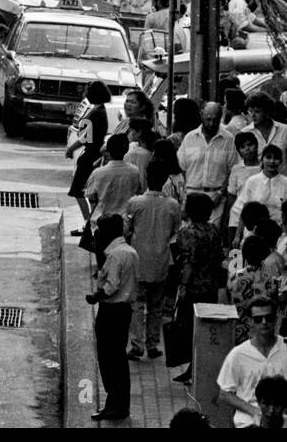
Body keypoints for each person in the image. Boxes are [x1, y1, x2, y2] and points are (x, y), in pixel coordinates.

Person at [124, 161, 182, 360]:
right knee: (156, 306)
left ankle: (137, 344)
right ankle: (153, 344)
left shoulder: (135, 203)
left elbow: (127, 230)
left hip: (138, 259)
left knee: (137, 304)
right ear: (165, 179)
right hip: (162, 260)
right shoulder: (173, 205)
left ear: (147, 178)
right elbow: (176, 232)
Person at [86, 213, 138, 421]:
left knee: (109, 360)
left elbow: (111, 286)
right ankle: (117, 404)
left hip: (112, 311)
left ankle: (115, 405)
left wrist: (94, 297)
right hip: (123, 310)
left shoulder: (116, 255)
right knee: (117, 360)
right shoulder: (130, 251)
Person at [170, 193, 226, 384]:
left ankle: (193, 369)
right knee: (201, 329)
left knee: (189, 328)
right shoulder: (213, 230)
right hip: (210, 285)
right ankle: (194, 368)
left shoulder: (188, 233)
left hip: (193, 287)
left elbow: (189, 263)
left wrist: (183, 285)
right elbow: (219, 257)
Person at [178, 102, 238, 231]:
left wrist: (220, 192)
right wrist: (183, 198)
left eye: (215, 120)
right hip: (191, 196)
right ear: (202, 116)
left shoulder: (228, 139)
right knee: (188, 238)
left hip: (214, 198)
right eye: (208, 119)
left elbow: (234, 171)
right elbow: (181, 169)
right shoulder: (190, 138)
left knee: (210, 238)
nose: (211, 124)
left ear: (220, 118)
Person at [68, 80, 113, 226]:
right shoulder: (98, 110)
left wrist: (71, 148)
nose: (84, 94)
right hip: (93, 153)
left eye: (87, 91)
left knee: (78, 190)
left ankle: (88, 222)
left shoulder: (96, 113)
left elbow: (85, 137)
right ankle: (88, 222)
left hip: (90, 155)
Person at [229, 245, 283, 347]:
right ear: (264, 256)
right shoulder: (271, 280)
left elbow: (230, 301)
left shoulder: (234, 277)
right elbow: (274, 307)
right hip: (262, 332)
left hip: (239, 331)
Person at [85, 133, 144, 223]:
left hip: (102, 221)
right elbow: (138, 192)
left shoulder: (98, 173)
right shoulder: (135, 171)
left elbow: (91, 198)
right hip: (126, 222)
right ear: (126, 150)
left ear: (108, 150)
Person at [232, 144, 287, 229]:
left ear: (281, 162)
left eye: (276, 158)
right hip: (254, 231)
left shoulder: (285, 182)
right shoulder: (252, 181)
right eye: (268, 157)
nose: (272, 161)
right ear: (262, 159)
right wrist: (238, 236)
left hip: (279, 231)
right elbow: (242, 209)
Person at [245, 91, 287, 157]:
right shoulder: (245, 133)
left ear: (267, 111)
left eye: (257, 111)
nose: (253, 115)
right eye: (250, 111)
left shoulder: (284, 130)